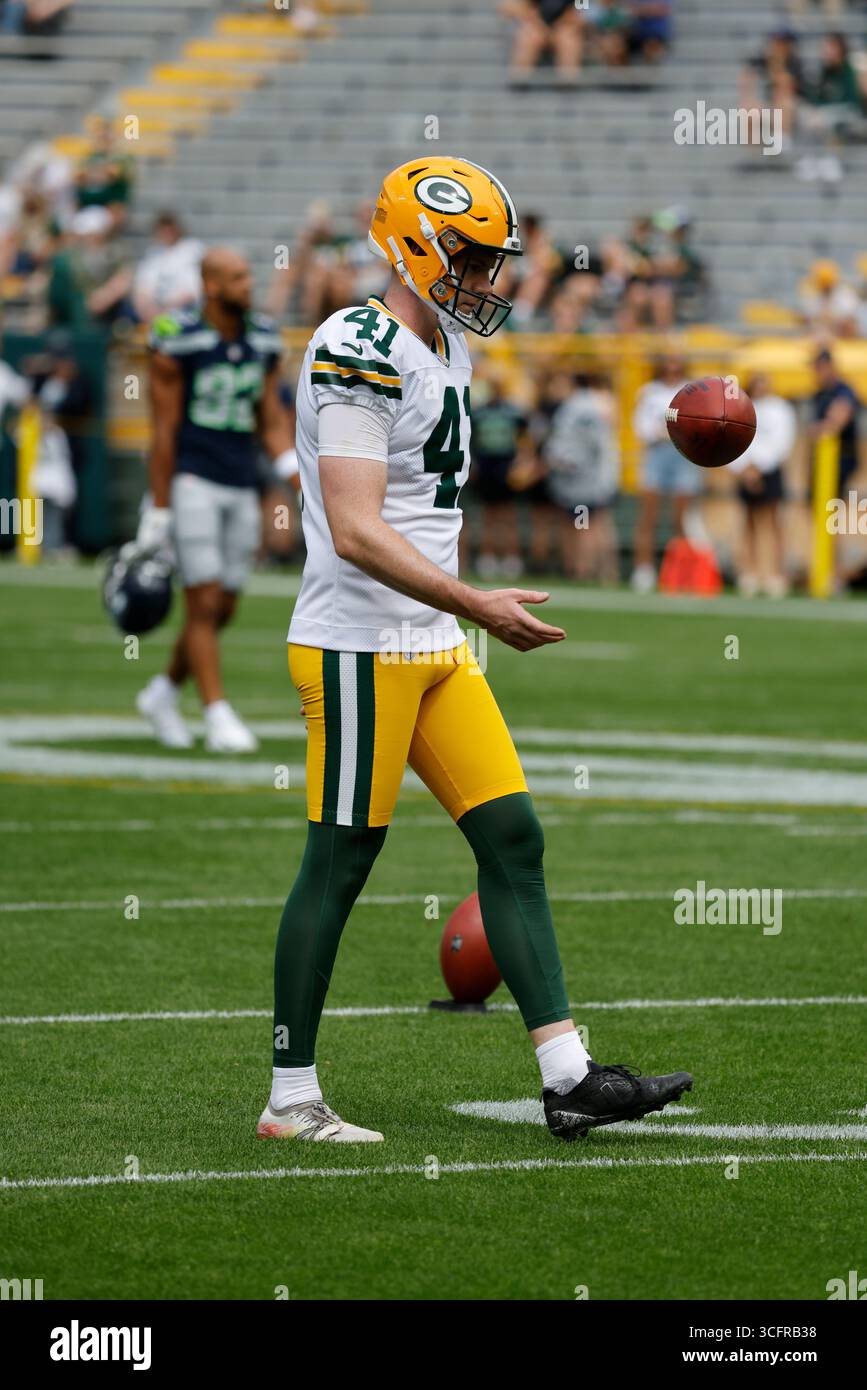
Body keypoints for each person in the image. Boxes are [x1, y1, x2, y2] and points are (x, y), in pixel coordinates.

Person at [257, 155, 692, 1144]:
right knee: (341, 857)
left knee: (513, 840)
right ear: (418, 244)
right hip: (358, 644)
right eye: (476, 257)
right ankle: (289, 1096)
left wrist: (458, 614)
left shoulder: (442, 341)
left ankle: (568, 1074)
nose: (492, 278)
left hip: (431, 640)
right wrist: (475, 602)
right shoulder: (357, 344)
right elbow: (359, 528)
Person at [134, 248, 299, 753]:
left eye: (248, 274)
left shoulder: (263, 338)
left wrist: (295, 474)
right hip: (192, 479)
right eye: (236, 277)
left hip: (240, 480)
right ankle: (216, 711)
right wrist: (160, 507)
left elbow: (269, 417)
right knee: (202, 601)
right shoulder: (176, 337)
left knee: (223, 605)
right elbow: (162, 429)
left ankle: (162, 692)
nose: (248, 284)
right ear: (211, 285)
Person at [543, 371, 620, 581]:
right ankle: (603, 571)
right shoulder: (588, 405)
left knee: (584, 525)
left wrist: (569, 462)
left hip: (583, 482)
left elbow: (586, 445)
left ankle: (585, 570)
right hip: (591, 478)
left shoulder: (578, 408)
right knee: (594, 524)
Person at [631, 353, 697, 591]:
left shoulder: (691, 390)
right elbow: (640, 425)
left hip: (682, 454)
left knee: (680, 518)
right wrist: (658, 431)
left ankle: (681, 571)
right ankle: (644, 568)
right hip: (657, 453)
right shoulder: (650, 391)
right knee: (649, 515)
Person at [727, 374, 796, 597]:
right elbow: (732, 439)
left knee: (774, 520)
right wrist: (744, 469)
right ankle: (750, 572)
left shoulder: (781, 409)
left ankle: (775, 573)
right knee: (749, 521)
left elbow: (782, 442)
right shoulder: (739, 408)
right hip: (746, 471)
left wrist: (759, 468)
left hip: (769, 471)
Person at [131, 212, 204, 323]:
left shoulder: (192, 249)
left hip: (186, 313)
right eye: (162, 229)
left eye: (169, 228)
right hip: (155, 314)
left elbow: (193, 290)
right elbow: (142, 288)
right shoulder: (153, 254)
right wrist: (147, 310)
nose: (167, 233)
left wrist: (165, 310)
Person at [502, 0, 586, 81]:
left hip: (564, 28)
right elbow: (510, 7)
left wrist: (559, 26)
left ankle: (568, 82)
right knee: (529, 36)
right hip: (537, 27)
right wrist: (537, 22)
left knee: (568, 39)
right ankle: (519, 79)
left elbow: (581, 14)